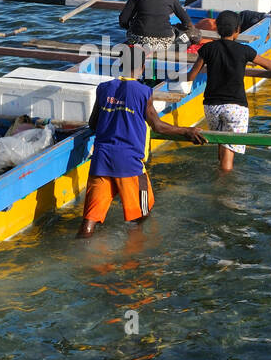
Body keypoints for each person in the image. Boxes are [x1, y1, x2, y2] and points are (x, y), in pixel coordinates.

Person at [77, 61, 205, 238]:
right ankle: (133, 257)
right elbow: (158, 126)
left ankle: (84, 251)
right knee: (141, 215)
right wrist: (186, 131)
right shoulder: (143, 92)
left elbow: (93, 124)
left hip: (101, 159)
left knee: (90, 219)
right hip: (130, 163)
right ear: (143, 67)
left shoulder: (103, 88)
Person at [187, 9, 271, 172]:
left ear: (217, 29)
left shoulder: (208, 49)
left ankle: (221, 173)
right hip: (235, 108)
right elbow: (267, 64)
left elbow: (191, 75)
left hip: (212, 107)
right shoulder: (244, 50)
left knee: (222, 144)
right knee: (228, 157)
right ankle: (224, 189)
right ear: (237, 30)